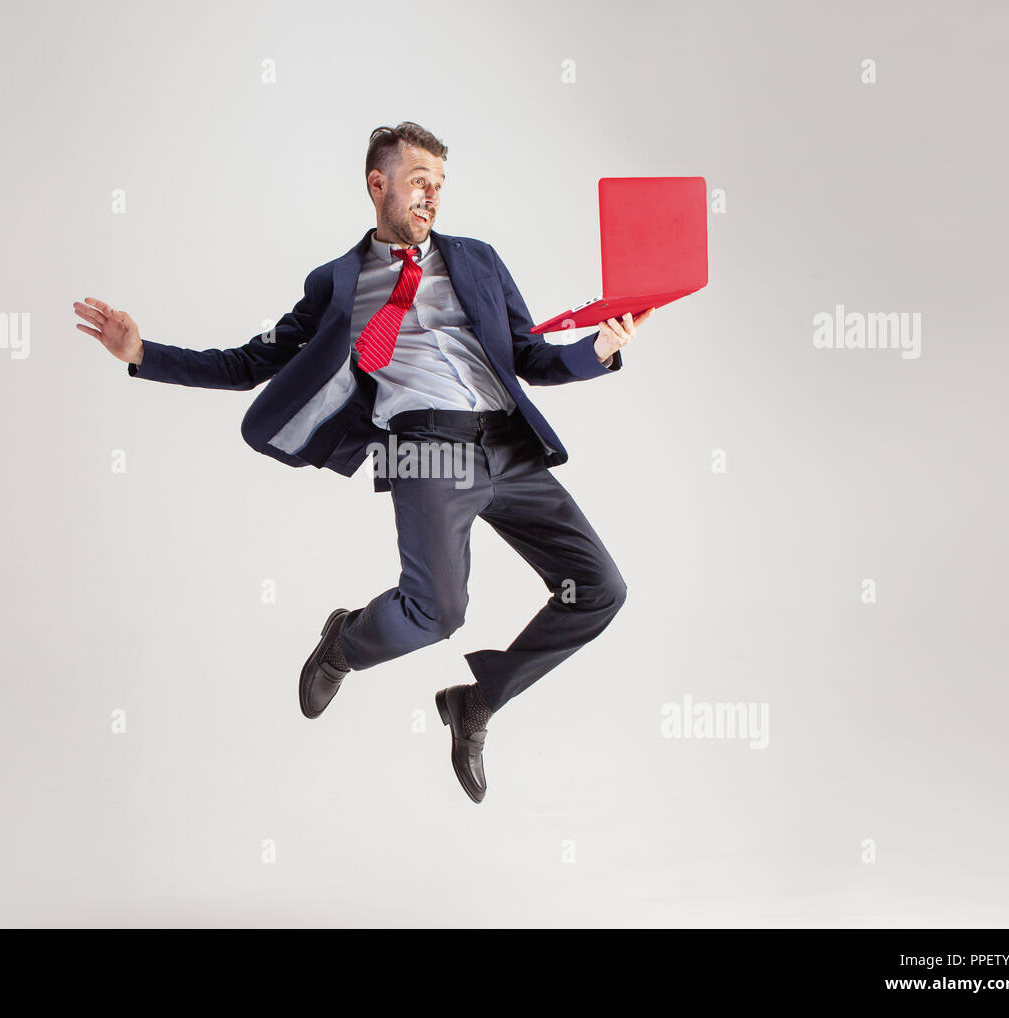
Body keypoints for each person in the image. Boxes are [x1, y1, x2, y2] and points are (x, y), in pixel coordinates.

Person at [74, 121, 652, 803]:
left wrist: (597, 350)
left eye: (439, 186)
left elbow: (530, 357)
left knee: (600, 588)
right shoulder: (337, 282)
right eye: (418, 182)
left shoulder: (478, 260)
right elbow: (249, 364)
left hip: (508, 445)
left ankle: (480, 701)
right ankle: (344, 643)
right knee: (437, 611)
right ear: (379, 184)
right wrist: (144, 353)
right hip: (424, 447)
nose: (431, 198)